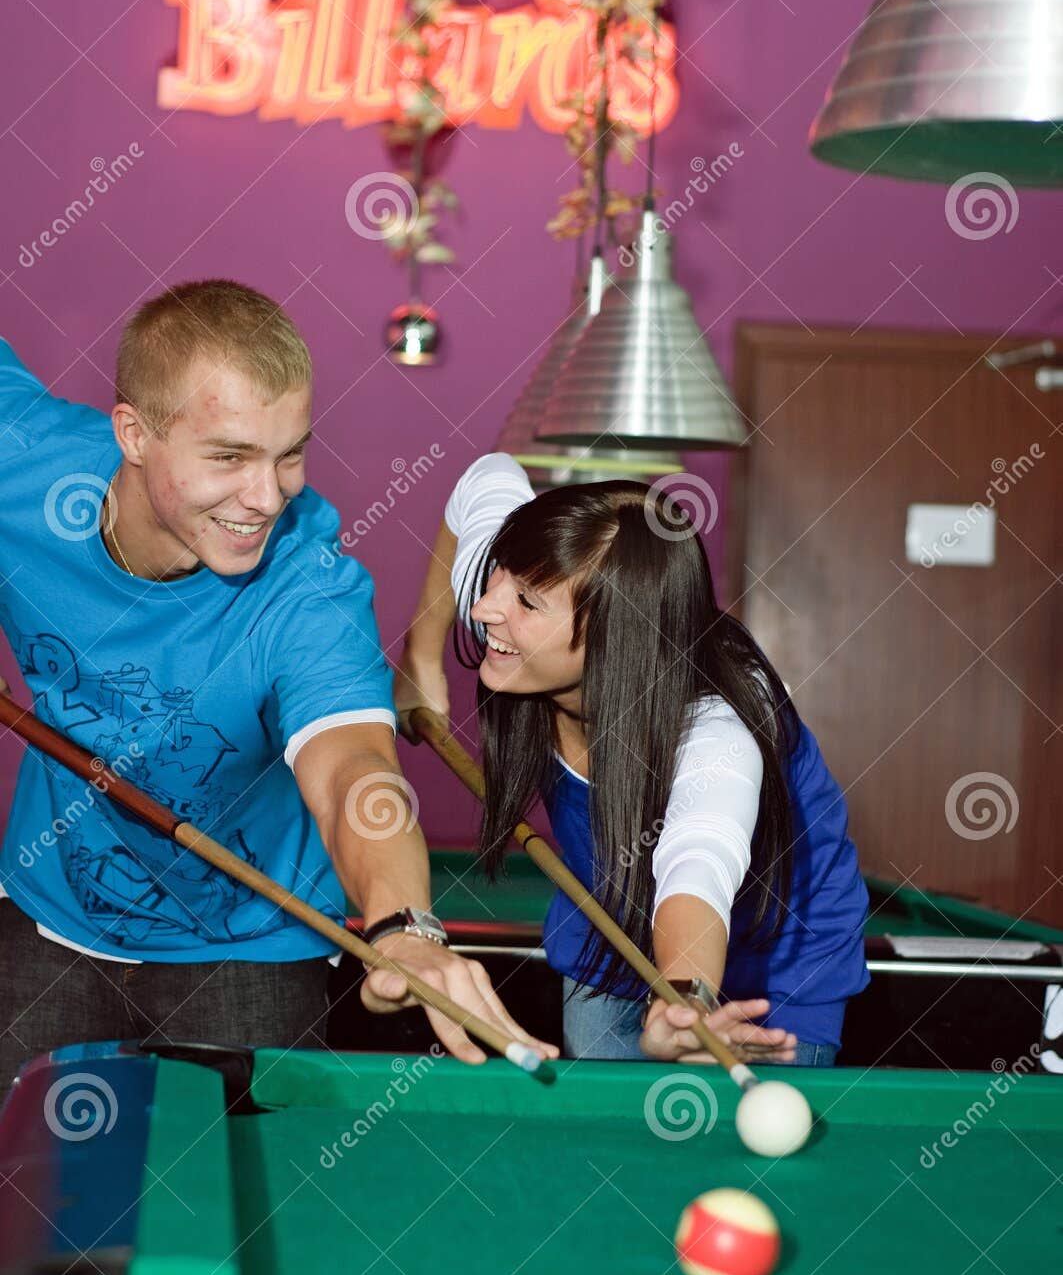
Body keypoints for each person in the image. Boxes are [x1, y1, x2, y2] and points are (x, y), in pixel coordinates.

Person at [0, 282, 553, 1095]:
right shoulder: (25, 463)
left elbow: (353, 771)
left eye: (288, 454)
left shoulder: (306, 589)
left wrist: (404, 926)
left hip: (252, 946)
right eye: (228, 457)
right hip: (53, 918)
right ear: (134, 435)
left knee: (242, 1176)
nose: (266, 497)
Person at [396, 453, 870, 1065]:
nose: (488, 608)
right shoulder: (518, 596)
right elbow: (484, 477)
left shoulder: (718, 726)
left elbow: (699, 861)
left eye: (527, 602)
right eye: (498, 580)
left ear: (615, 638)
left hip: (771, 968)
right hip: (608, 924)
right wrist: (421, 657)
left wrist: (685, 1002)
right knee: (603, 1125)